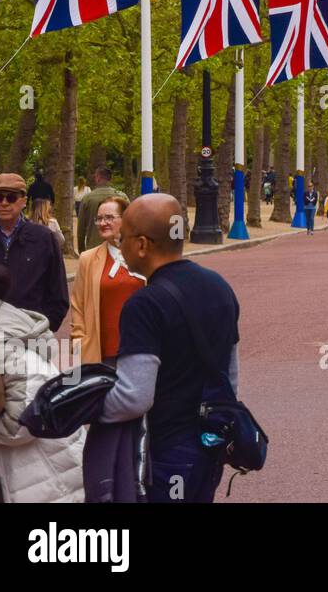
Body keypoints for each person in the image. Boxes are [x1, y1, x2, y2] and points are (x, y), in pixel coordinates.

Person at [100, 194, 242, 503]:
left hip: (168, 448)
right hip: (210, 443)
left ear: (141, 245)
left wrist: (87, 409)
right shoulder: (219, 286)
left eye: (123, 238)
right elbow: (230, 377)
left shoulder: (144, 304)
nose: (120, 246)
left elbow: (134, 397)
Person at [0, 255, 86, 502]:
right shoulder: (1, 320)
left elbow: (22, 424)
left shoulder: (0, 340)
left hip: (49, 476)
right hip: (39, 471)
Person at [0, 174, 69, 332]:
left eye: (11, 197)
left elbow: (58, 294)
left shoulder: (44, 239)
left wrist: (44, 329)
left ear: (24, 201)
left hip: (33, 335)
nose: (4, 203)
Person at [70, 194, 145, 365]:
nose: (103, 223)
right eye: (99, 219)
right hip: (102, 355)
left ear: (126, 219)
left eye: (109, 217)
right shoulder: (88, 259)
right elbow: (77, 306)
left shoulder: (145, 254)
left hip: (142, 352)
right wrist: (79, 341)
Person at [77, 166, 123, 253]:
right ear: (110, 179)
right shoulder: (122, 197)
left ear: (97, 178)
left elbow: (81, 229)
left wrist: (82, 251)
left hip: (93, 248)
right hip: (118, 248)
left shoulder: (87, 198)